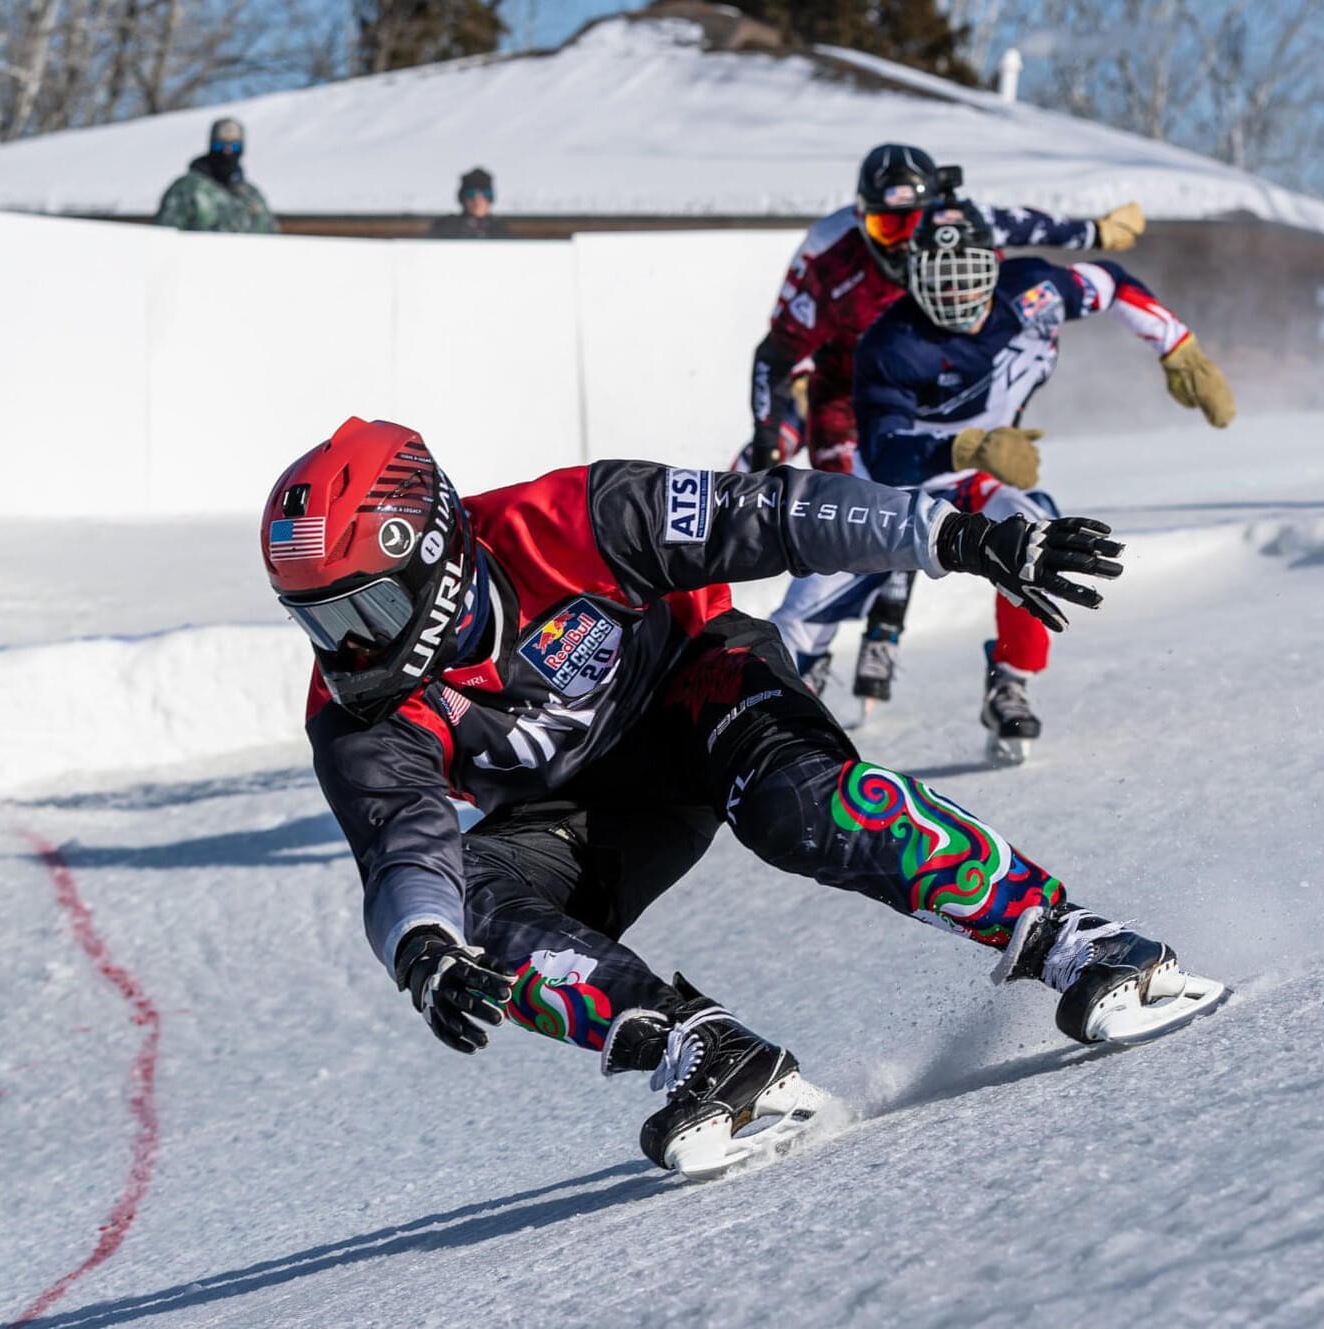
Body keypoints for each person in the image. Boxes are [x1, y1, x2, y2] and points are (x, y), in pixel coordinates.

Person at [263, 418, 1224, 1179]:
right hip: (592, 810)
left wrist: (954, 536)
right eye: (319, 624)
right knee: (467, 912)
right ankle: (710, 1053)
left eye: (364, 612)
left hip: (703, 688)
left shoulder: (575, 519)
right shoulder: (354, 719)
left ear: (433, 555)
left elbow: (775, 513)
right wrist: (421, 944)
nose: (348, 652)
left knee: (797, 808)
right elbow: (404, 845)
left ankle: (1075, 937)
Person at [774, 198, 1235, 767]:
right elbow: (886, 455)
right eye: (940, 279)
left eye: (968, 275)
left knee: (1038, 539)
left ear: (994, 266)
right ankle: (785, 699)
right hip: (898, 490)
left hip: (981, 481)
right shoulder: (891, 343)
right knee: (799, 616)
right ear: (912, 278)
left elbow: (1110, 283)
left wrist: (1177, 346)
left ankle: (1011, 682)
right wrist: (970, 446)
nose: (955, 295)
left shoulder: (1035, 290)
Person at [737, 143, 1147, 715]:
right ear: (861, 217)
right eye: (886, 226)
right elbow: (777, 352)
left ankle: (890, 625)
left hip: (947, 392)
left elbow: (1026, 224)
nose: (904, 242)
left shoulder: (961, 227)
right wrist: (768, 435)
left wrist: (1096, 233)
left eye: (915, 224)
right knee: (850, 509)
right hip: (850, 390)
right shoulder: (828, 253)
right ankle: (818, 644)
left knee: (952, 491)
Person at [153, 117, 277, 234]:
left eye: (234, 146)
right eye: (220, 146)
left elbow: (271, 238)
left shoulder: (252, 196)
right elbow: (163, 238)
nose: (227, 152)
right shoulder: (187, 190)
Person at [428, 168, 512, 240]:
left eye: (486, 194)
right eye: (471, 194)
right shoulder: (447, 227)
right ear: (463, 198)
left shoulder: (499, 229)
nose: (478, 201)